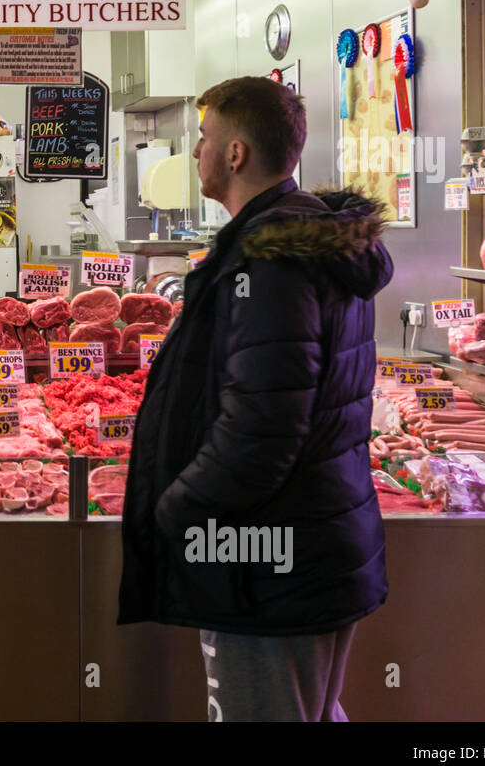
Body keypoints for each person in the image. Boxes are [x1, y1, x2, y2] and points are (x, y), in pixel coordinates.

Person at [119, 76, 392, 722]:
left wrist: (176, 512)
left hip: (270, 557)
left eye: (204, 138)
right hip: (308, 540)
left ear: (236, 154)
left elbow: (262, 428)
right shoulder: (300, 244)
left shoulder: (270, 262)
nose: (195, 153)